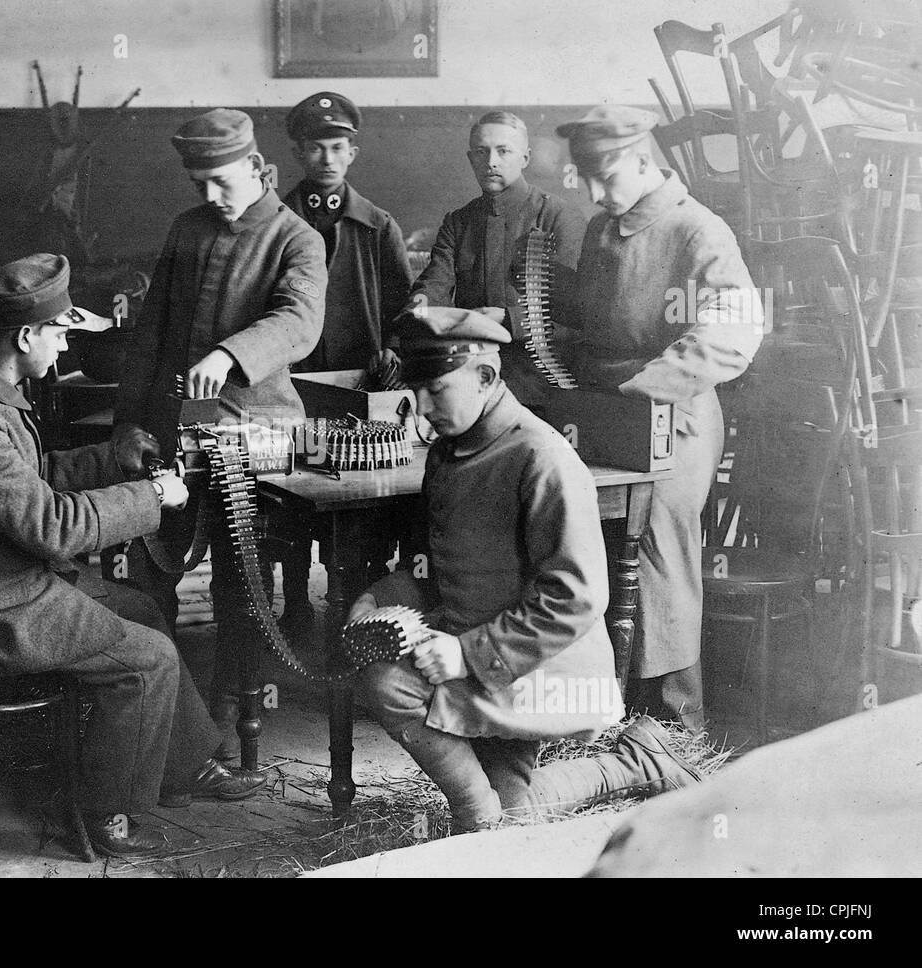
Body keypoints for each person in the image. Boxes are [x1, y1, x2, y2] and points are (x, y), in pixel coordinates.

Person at [0, 254, 264, 858]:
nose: (65, 347)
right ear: (25, 336)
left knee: (142, 608)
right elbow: (50, 527)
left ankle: (184, 766)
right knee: (149, 660)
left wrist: (110, 455)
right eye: (61, 331)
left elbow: (33, 479)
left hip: (0, 578)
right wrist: (151, 495)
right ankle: (107, 815)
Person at [351, 306, 702, 832]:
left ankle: (476, 817)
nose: (421, 409)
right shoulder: (450, 451)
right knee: (521, 809)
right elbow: (432, 566)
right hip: (494, 652)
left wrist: (467, 655)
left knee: (387, 683)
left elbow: (576, 598)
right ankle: (640, 761)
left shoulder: (541, 456)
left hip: (544, 665)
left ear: (487, 377)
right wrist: (375, 599)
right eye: (415, 391)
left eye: (437, 389)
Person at [112, 109, 326, 749]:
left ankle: (238, 722)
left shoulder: (297, 239)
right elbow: (150, 335)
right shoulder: (188, 229)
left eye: (222, 183)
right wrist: (129, 420)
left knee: (243, 583)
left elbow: (298, 321)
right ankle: (170, 721)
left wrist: (231, 355)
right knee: (152, 574)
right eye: (198, 184)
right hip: (173, 432)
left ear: (259, 169)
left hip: (253, 434)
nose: (210, 199)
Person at [555, 106, 764, 731]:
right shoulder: (602, 229)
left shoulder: (699, 230)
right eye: (584, 178)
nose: (593, 193)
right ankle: (604, 714)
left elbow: (736, 331)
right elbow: (598, 315)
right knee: (579, 544)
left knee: (657, 555)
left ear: (644, 161)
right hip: (605, 414)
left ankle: (678, 728)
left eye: (604, 176)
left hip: (676, 416)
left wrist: (641, 384)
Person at [279, 91, 414, 635]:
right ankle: (292, 606)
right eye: (316, 148)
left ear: (353, 153)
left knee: (358, 507)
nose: (327, 159)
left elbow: (404, 310)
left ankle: (354, 616)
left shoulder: (379, 227)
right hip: (294, 382)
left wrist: (394, 351)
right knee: (291, 492)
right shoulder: (278, 222)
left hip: (360, 388)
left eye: (337, 147)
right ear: (299, 153)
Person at [405, 111, 590, 407]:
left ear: (525, 158)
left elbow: (577, 315)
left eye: (504, 151)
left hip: (543, 385)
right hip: (471, 384)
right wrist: (404, 329)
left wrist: (508, 320)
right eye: (482, 151)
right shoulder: (459, 222)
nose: (491, 161)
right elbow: (432, 287)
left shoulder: (558, 216)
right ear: (471, 158)